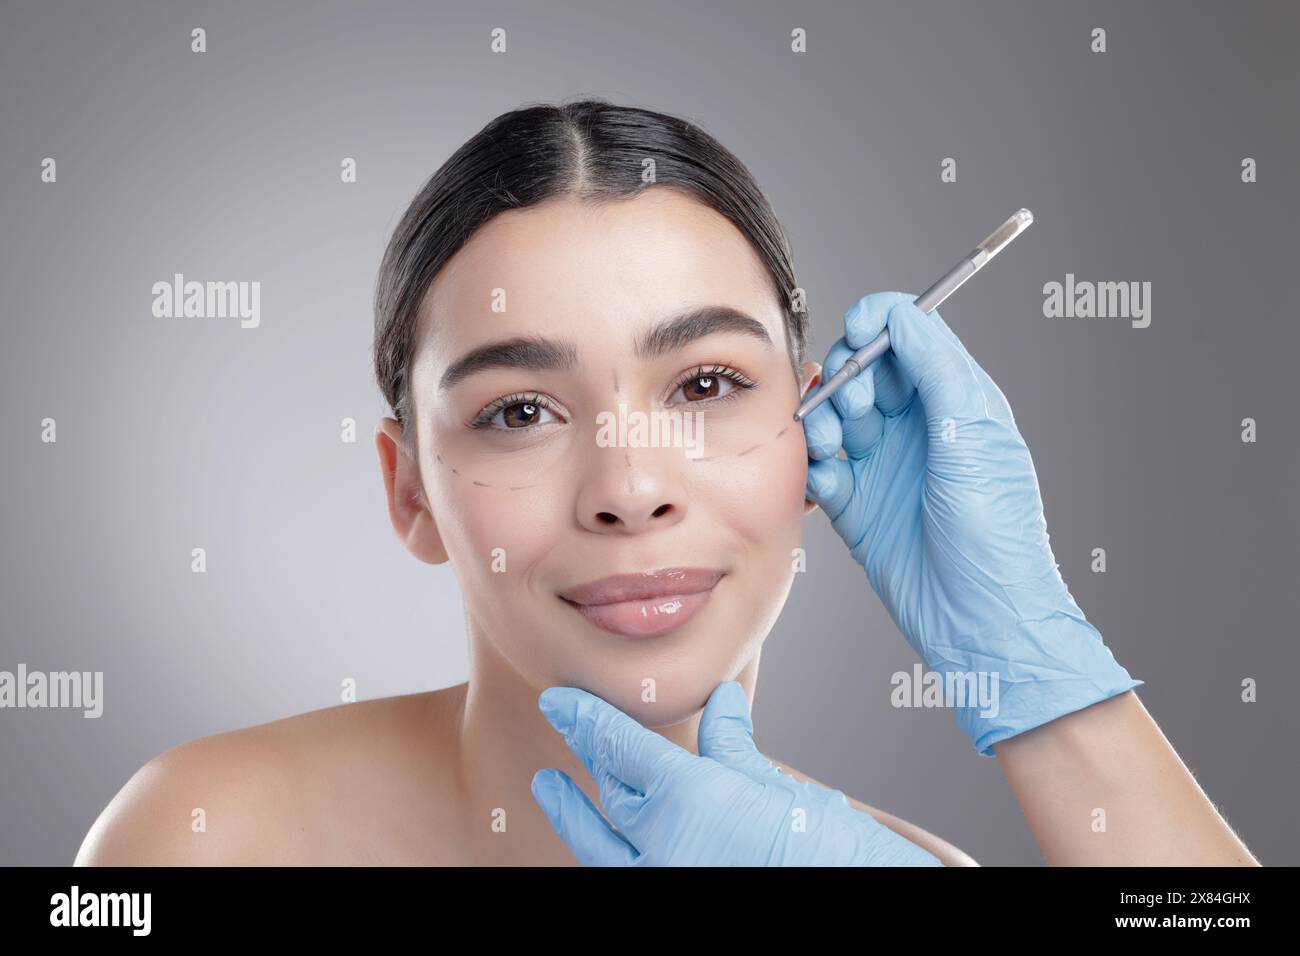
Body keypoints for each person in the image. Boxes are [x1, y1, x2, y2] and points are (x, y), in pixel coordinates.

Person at [74, 99, 975, 866]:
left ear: (815, 432)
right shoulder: (207, 838)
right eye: (519, 413)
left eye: (706, 386)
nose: (628, 486)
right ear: (411, 490)